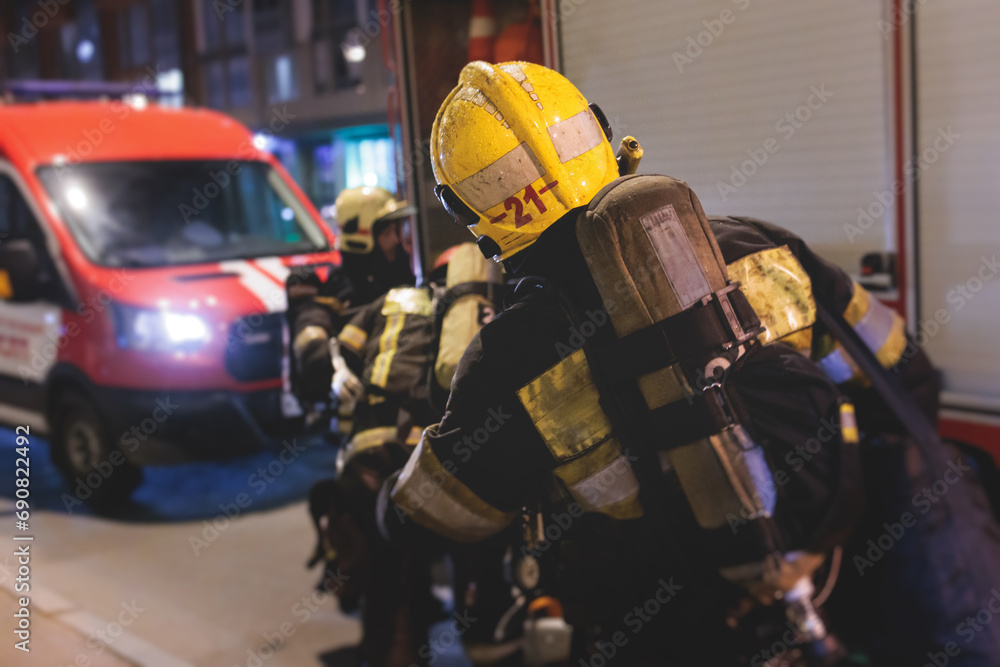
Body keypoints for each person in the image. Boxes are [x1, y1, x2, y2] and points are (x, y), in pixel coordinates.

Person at [375, 61, 865, 665]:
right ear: (601, 137)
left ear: (470, 214)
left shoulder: (507, 364)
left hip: (660, 636)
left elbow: (431, 523)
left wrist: (385, 489)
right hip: (831, 598)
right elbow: (896, 376)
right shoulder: (763, 245)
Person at [710, 215, 1000, 665]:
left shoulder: (570, 296)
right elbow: (898, 366)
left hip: (726, 562)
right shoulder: (752, 242)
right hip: (838, 513)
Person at [335, 186, 417, 308]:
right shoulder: (342, 288)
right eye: (386, 233)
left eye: (397, 230)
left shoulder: (400, 271)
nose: (396, 240)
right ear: (361, 238)